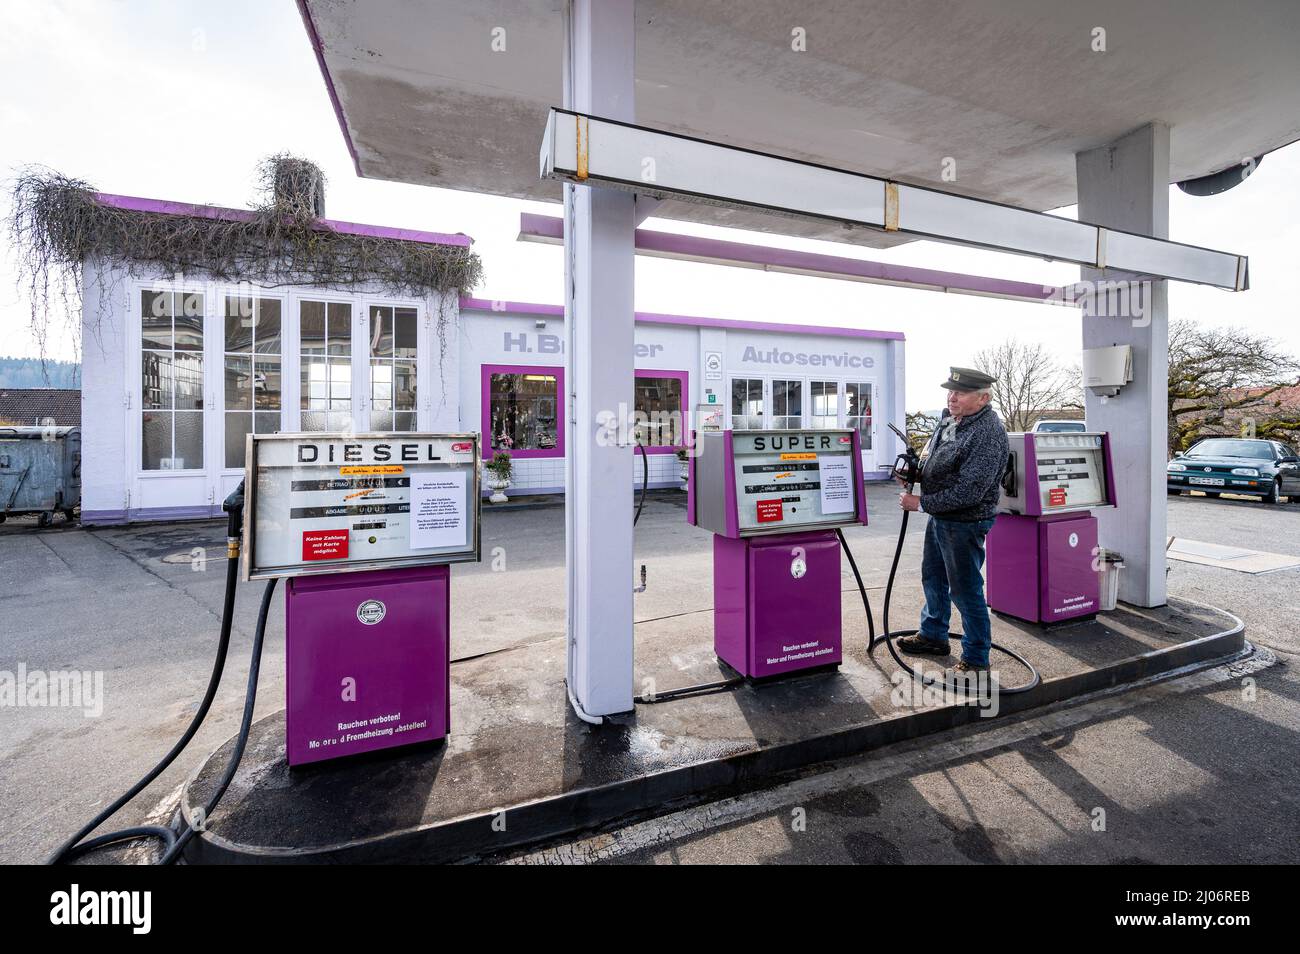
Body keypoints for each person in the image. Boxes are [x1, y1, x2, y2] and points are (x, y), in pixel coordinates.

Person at [896, 367, 1009, 675]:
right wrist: (917, 473)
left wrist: (921, 503)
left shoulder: (987, 433)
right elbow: (939, 460)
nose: (952, 396)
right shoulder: (951, 419)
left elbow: (970, 491)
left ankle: (975, 658)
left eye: (960, 393)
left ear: (983, 398)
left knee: (965, 589)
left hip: (964, 522)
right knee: (933, 577)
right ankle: (934, 635)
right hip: (941, 517)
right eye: (950, 391)